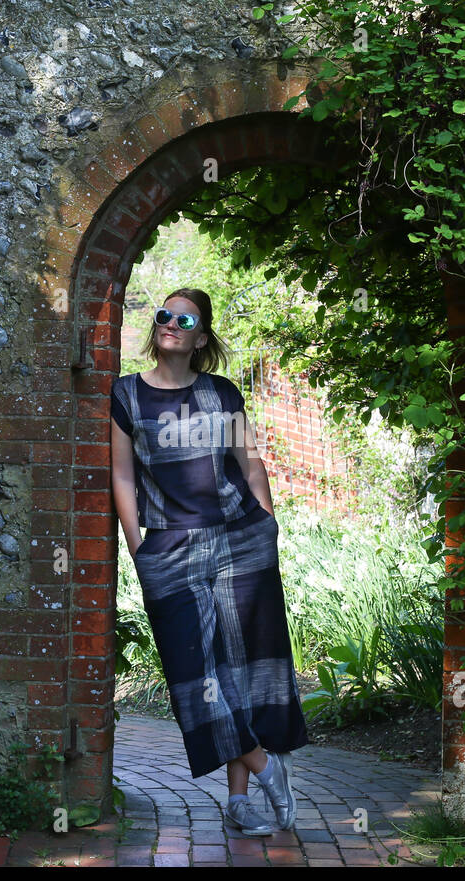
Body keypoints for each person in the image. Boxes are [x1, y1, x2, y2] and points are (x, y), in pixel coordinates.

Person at [110, 288, 309, 836]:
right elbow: (122, 475)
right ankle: (267, 767)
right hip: (169, 548)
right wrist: (136, 545)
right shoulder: (126, 395)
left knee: (243, 668)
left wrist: (266, 523)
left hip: (240, 540)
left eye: (185, 319)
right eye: (163, 315)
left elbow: (249, 462)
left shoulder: (220, 393)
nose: (170, 323)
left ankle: (239, 802)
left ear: (200, 337)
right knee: (193, 675)